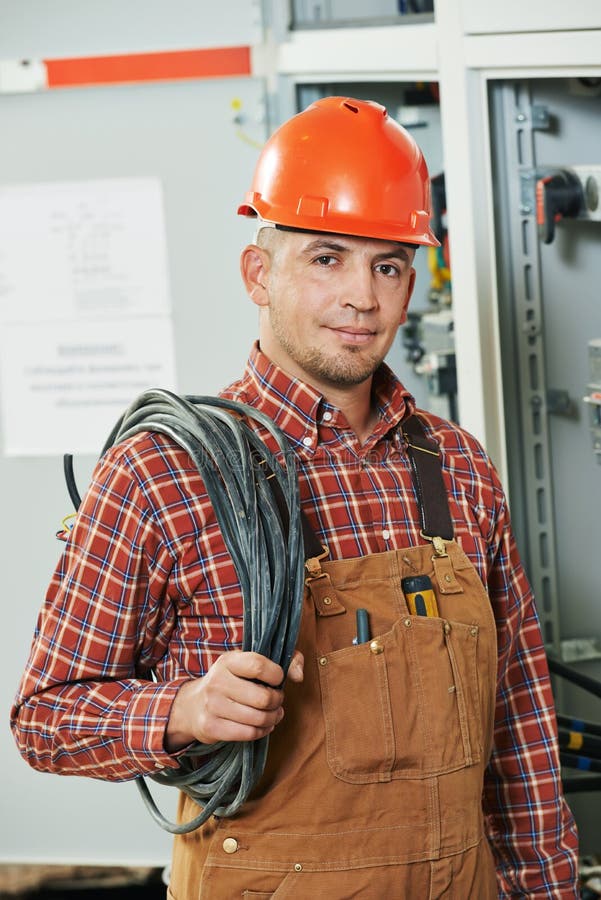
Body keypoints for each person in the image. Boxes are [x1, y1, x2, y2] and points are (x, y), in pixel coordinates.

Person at [11, 97, 579, 898]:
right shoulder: (164, 473)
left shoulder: (455, 467)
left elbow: (519, 726)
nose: (362, 297)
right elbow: (47, 721)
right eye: (325, 258)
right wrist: (181, 711)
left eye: (386, 264)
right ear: (258, 274)